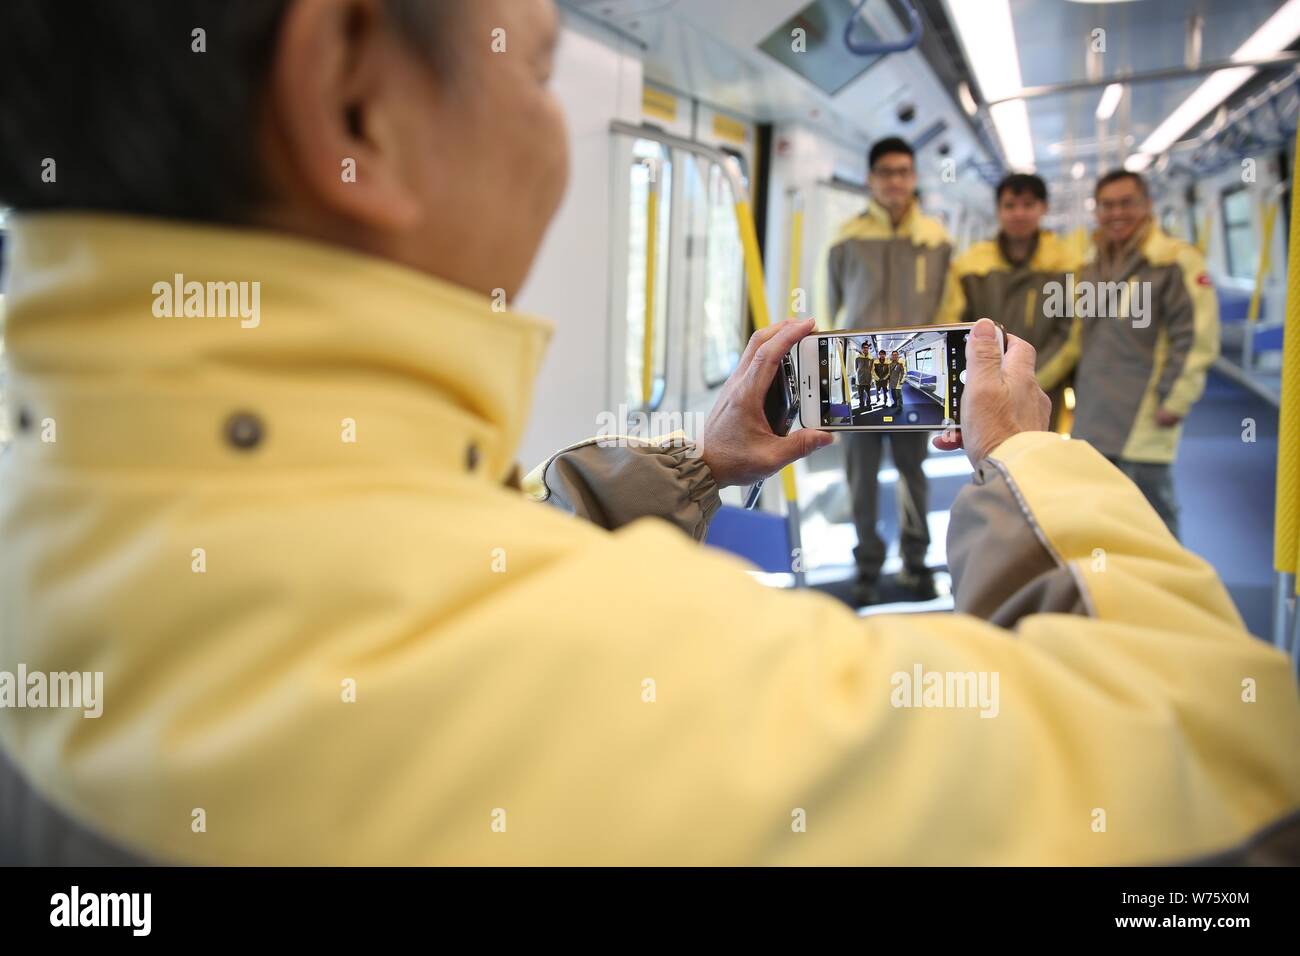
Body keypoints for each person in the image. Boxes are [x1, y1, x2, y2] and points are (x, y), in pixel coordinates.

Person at [1, 1, 1296, 867]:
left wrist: (700, 463)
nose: (555, 137)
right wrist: (1030, 459)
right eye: (533, 67)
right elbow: (1228, 762)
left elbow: (473, 557)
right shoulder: (684, 695)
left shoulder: (68, 521)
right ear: (353, 103)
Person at [1038, 170, 1219, 539]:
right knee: (1101, 516)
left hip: (1146, 412)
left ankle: (1169, 594)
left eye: (1126, 203)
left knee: (1154, 522)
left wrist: (1177, 400)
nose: (1116, 213)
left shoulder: (1174, 261)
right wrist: (1030, 379)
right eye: (1107, 205)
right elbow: (1077, 340)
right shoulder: (1091, 266)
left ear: (1147, 205)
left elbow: (1197, 337)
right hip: (1093, 410)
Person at [821, 137, 963, 604]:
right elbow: (831, 310)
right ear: (871, 179)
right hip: (858, 374)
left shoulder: (937, 241)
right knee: (859, 476)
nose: (895, 181)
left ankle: (915, 563)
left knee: (912, 473)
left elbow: (949, 310)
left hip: (917, 377)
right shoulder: (846, 239)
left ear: (915, 177)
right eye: (886, 172)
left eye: (903, 171)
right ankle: (867, 565)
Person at [954, 173, 1078, 426]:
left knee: (1040, 457)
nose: (1019, 213)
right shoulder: (969, 264)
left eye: (1028, 205)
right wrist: (982, 376)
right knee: (989, 456)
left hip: (1043, 386)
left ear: (1043, 208)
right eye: (1010, 206)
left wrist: (1032, 378)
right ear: (999, 210)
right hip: (984, 383)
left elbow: (1071, 333)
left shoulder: (1067, 263)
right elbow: (956, 323)